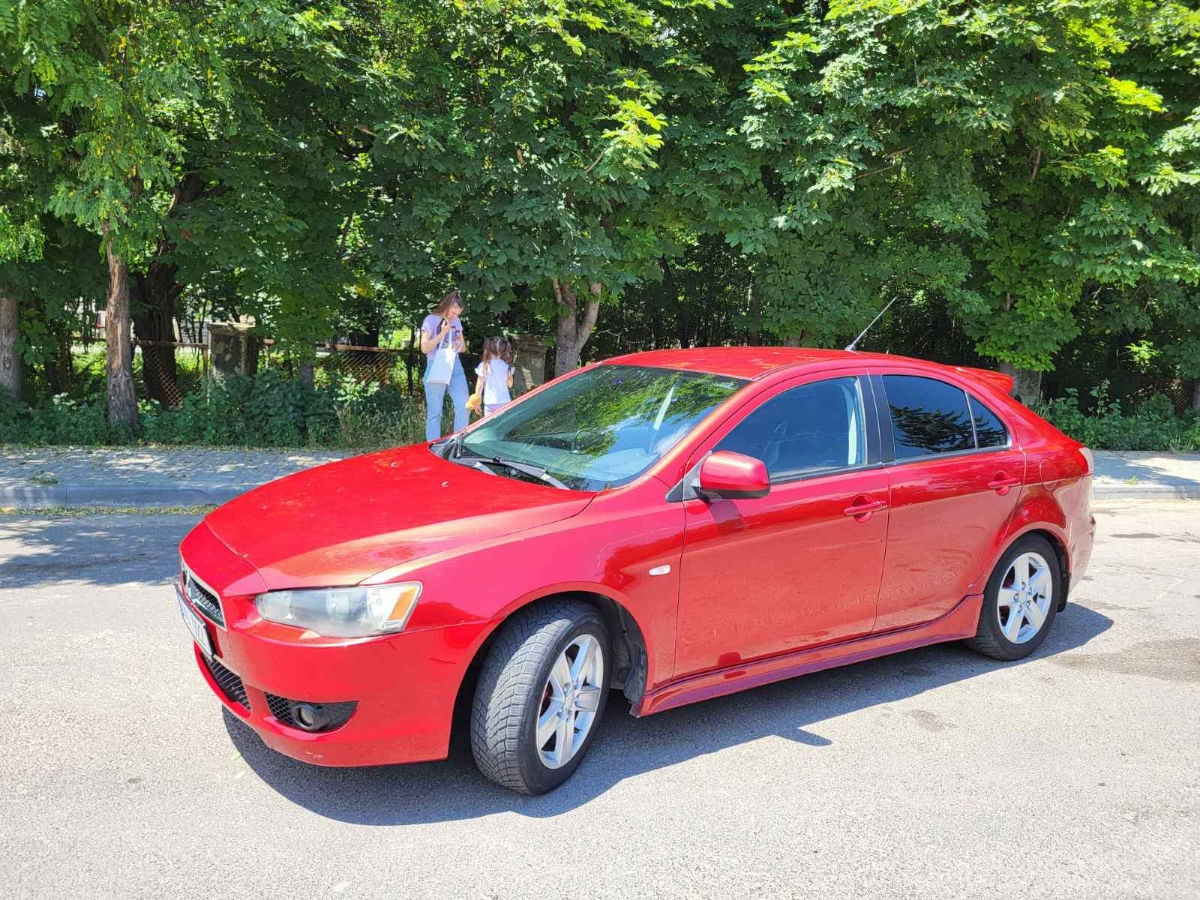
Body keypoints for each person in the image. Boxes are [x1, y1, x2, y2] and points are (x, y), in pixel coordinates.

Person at [419, 290, 468, 440]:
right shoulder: (430, 320)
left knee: (464, 405)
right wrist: (442, 334)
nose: (455, 317)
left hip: (455, 365)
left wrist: (457, 345)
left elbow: (464, 347)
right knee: (435, 412)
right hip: (436, 366)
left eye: (458, 314)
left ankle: (458, 443)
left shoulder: (457, 322)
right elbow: (424, 348)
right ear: (446, 306)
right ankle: (432, 446)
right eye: (453, 313)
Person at [472, 336, 515, 416]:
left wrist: (477, 402)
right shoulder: (506, 366)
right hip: (505, 402)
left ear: (488, 349)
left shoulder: (484, 366)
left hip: (489, 402)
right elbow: (510, 385)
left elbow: (479, 385)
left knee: (491, 426)